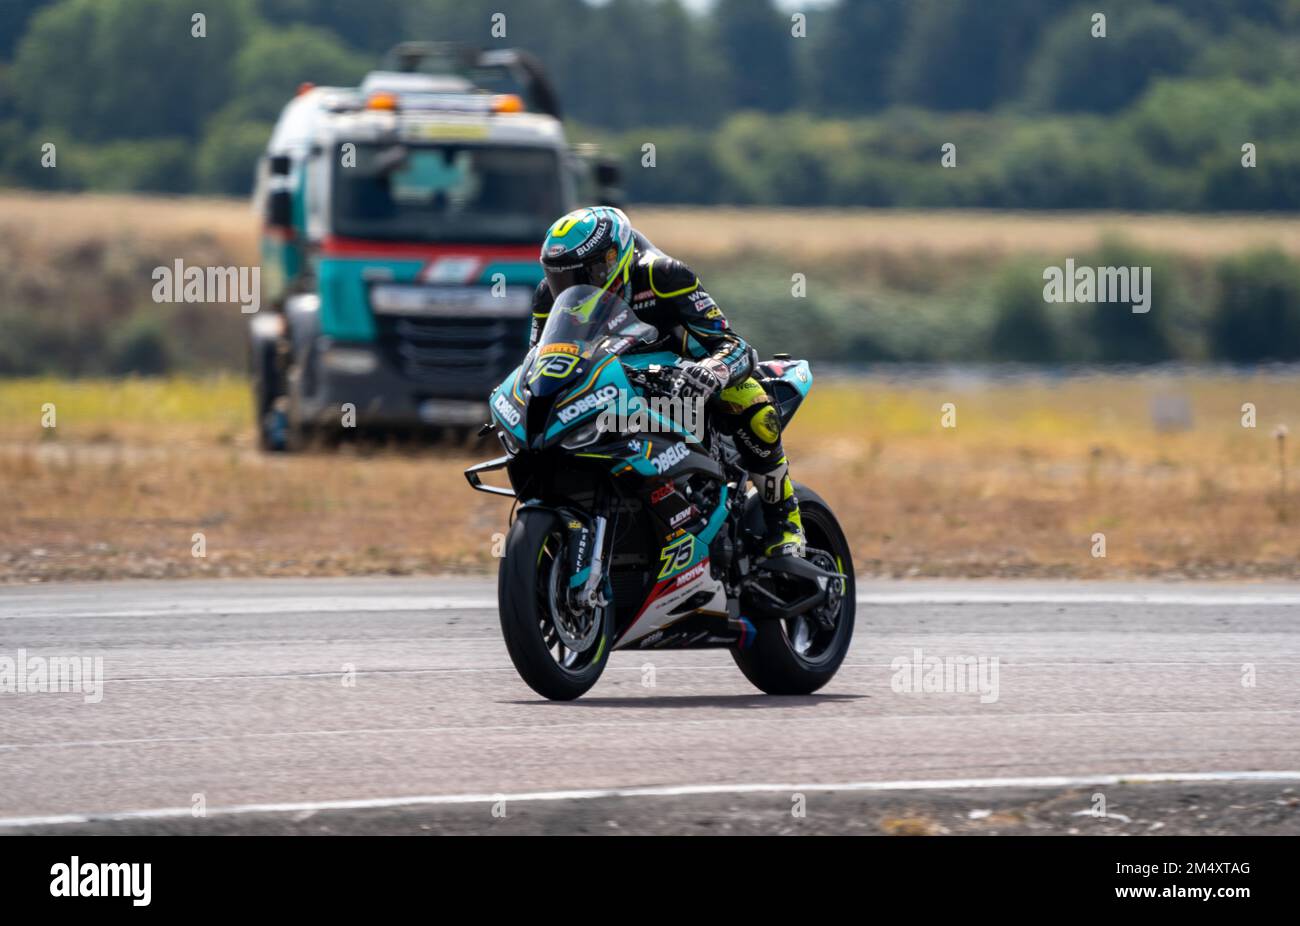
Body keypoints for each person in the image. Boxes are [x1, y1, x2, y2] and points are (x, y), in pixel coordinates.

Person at [530, 205, 803, 558]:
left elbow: (734, 345)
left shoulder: (663, 276)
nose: (569, 287)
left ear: (613, 258)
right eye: (560, 277)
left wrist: (710, 371)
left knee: (751, 403)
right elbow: (540, 361)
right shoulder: (547, 297)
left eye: (584, 273)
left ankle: (784, 521)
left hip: (681, 386)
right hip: (608, 392)